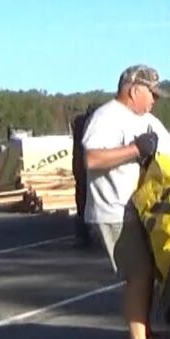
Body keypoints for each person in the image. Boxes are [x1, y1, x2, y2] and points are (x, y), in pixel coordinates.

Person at [82, 65, 170, 339]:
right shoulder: (107, 117)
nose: (155, 100)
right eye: (151, 94)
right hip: (113, 210)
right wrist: (134, 149)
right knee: (138, 275)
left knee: (149, 272)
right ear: (133, 89)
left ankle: (145, 336)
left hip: (139, 209)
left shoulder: (147, 120)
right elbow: (91, 159)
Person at [69, 103, 99, 248]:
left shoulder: (79, 122)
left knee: (81, 198)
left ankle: (82, 233)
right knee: (88, 199)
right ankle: (88, 233)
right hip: (88, 165)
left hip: (79, 164)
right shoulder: (92, 123)